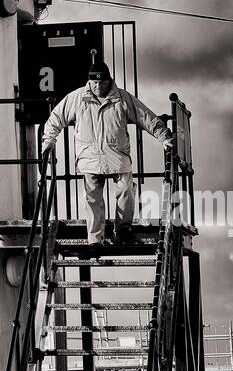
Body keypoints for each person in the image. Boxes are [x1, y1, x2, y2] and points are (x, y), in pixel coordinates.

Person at [40, 61, 175, 245]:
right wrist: (48, 142)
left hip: (117, 156)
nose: (97, 86)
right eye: (94, 82)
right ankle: (95, 240)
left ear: (109, 81)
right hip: (89, 158)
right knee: (93, 199)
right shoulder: (77, 98)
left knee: (126, 190)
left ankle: (123, 230)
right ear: (89, 82)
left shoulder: (122, 98)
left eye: (101, 82)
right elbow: (56, 119)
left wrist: (164, 136)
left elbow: (145, 117)